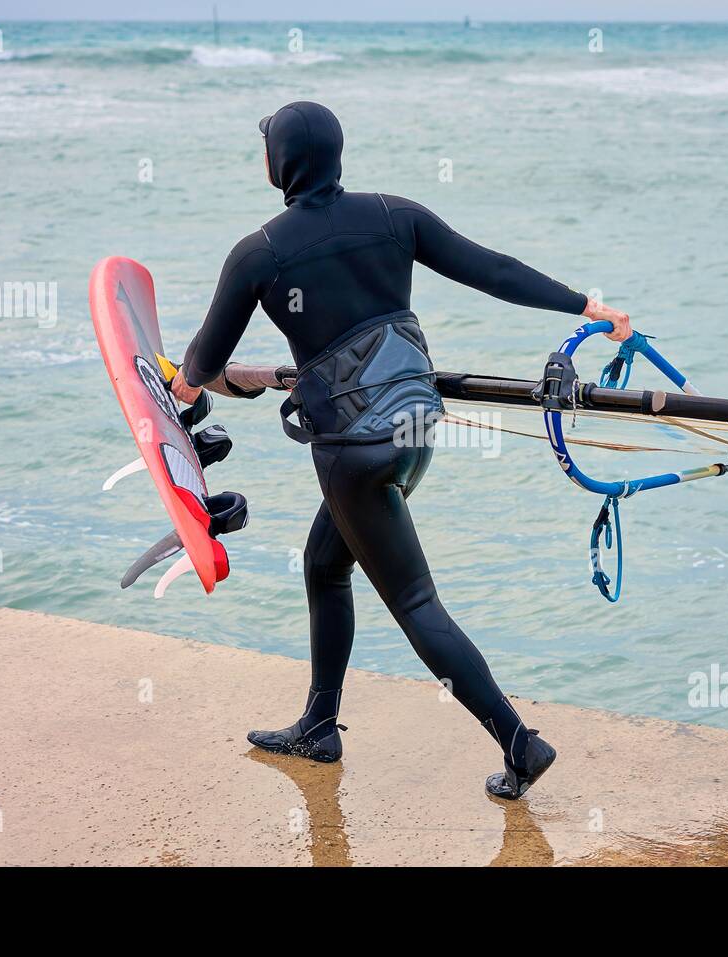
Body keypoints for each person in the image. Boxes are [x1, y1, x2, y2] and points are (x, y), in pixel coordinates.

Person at [172, 101, 630, 799]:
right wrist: (583, 305)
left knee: (416, 603)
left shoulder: (258, 253)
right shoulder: (393, 215)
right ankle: (319, 725)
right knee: (325, 564)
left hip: (352, 451)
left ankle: (520, 743)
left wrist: (181, 384)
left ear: (280, 163)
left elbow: (196, 373)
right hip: (414, 433)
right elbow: (493, 269)